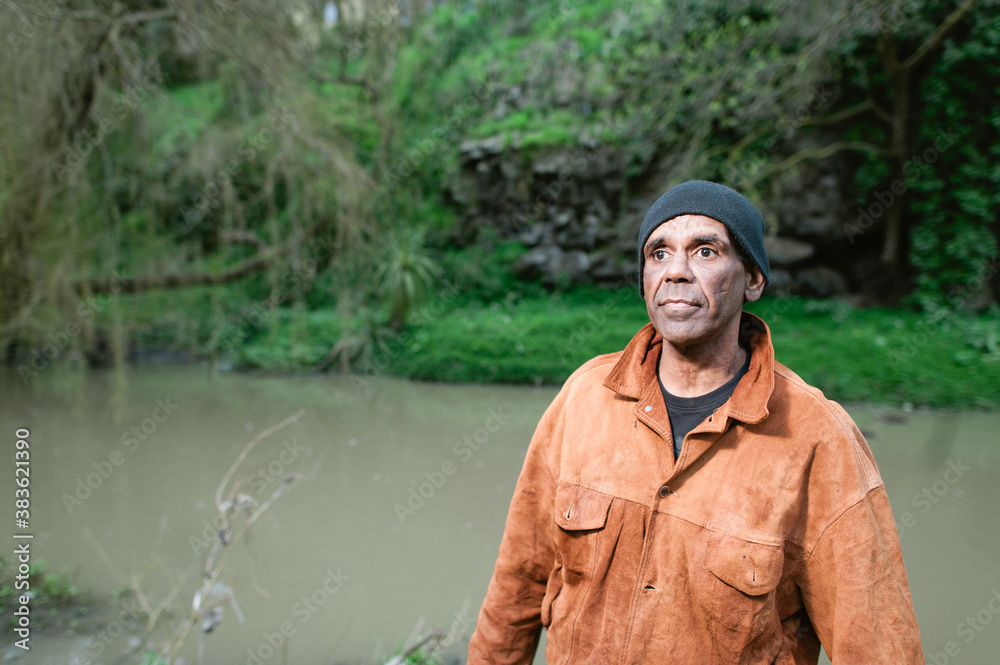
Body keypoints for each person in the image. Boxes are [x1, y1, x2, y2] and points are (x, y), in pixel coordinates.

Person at [466, 181, 923, 664]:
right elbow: (516, 586)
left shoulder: (817, 437)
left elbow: (877, 645)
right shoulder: (584, 399)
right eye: (658, 253)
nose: (677, 272)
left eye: (705, 251)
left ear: (752, 278)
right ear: (644, 279)